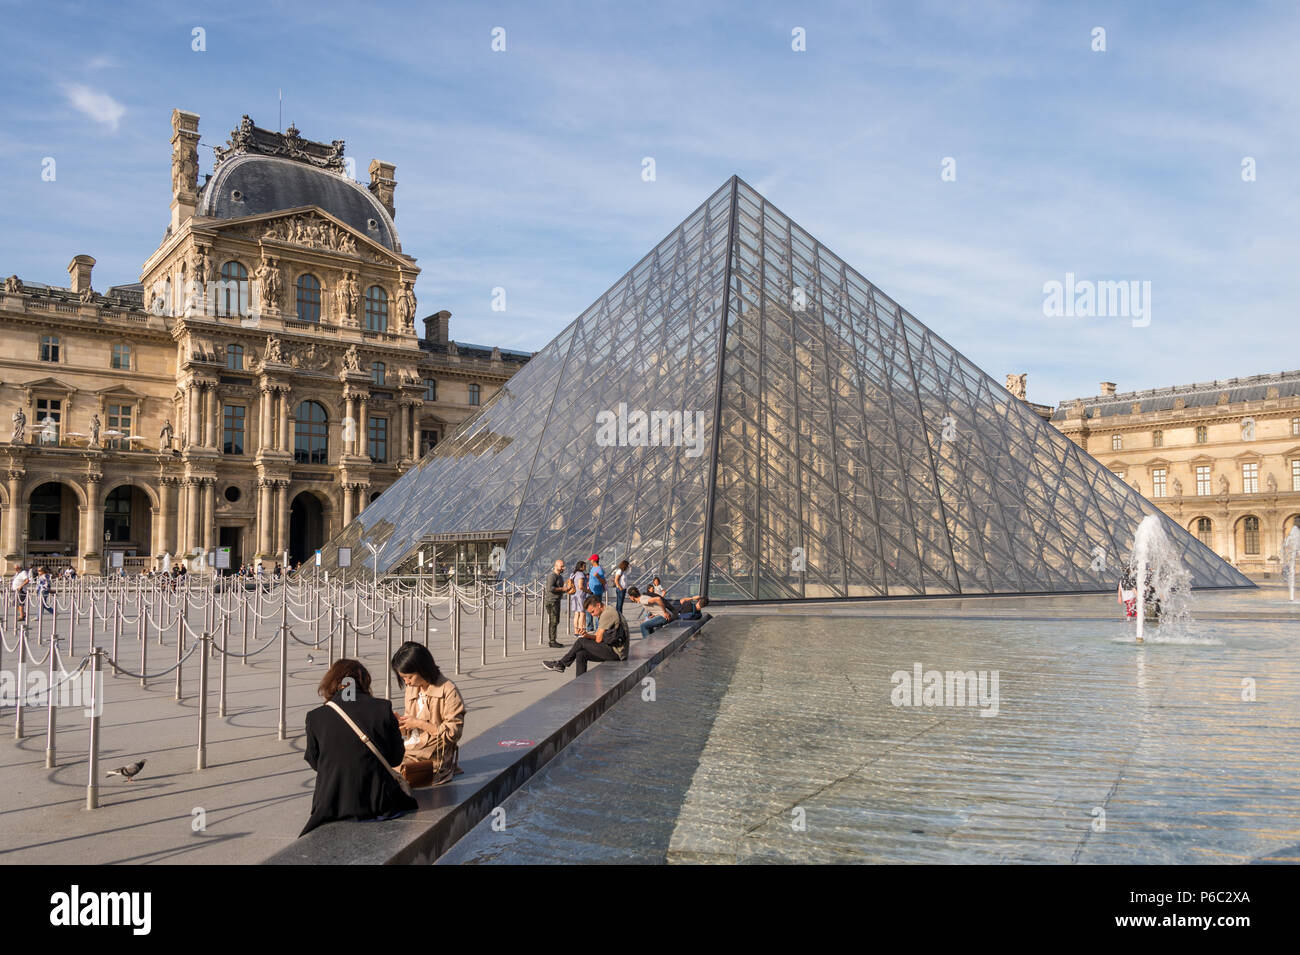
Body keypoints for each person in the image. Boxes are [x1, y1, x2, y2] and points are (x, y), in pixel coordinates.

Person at [300, 658, 417, 836]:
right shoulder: (383, 708)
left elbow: (316, 762)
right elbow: (395, 759)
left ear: (332, 682)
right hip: (378, 802)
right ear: (364, 681)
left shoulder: (315, 717)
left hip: (332, 802)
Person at [391, 642, 465, 787]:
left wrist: (419, 724)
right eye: (403, 678)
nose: (406, 682)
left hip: (432, 755)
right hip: (412, 748)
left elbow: (454, 733)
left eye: (409, 677)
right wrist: (400, 723)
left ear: (422, 669)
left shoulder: (448, 690)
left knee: (389, 772)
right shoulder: (412, 688)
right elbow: (410, 729)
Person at [542, 594, 628, 676]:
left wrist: (586, 639)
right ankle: (580, 683)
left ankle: (561, 664)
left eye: (593, 611)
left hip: (617, 653)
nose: (592, 615)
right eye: (590, 613)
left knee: (581, 641)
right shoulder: (607, 610)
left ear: (598, 605)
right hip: (613, 649)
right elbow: (599, 637)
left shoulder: (607, 614)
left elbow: (598, 639)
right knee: (581, 654)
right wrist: (587, 636)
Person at [544, 559, 567, 649]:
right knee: (553, 621)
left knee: (556, 621)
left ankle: (553, 639)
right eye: (561, 566)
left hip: (557, 600)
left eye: (563, 566)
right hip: (551, 601)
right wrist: (562, 589)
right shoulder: (552, 576)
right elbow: (550, 588)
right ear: (556, 566)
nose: (563, 568)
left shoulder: (560, 576)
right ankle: (552, 641)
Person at [566, 559, 588, 638]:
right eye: (584, 566)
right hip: (580, 596)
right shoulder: (581, 575)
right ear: (581, 567)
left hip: (574, 595)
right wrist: (588, 591)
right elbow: (581, 586)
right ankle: (581, 630)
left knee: (576, 614)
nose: (585, 567)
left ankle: (576, 631)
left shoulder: (573, 574)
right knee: (582, 613)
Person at [587, 554, 605, 632]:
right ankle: (590, 627)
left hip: (597, 592)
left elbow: (603, 582)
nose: (590, 561)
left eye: (591, 560)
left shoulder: (599, 569)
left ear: (594, 560)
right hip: (591, 591)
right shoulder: (592, 568)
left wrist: (598, 576)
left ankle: (598, 627)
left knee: (597, 610)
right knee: (588, 609)